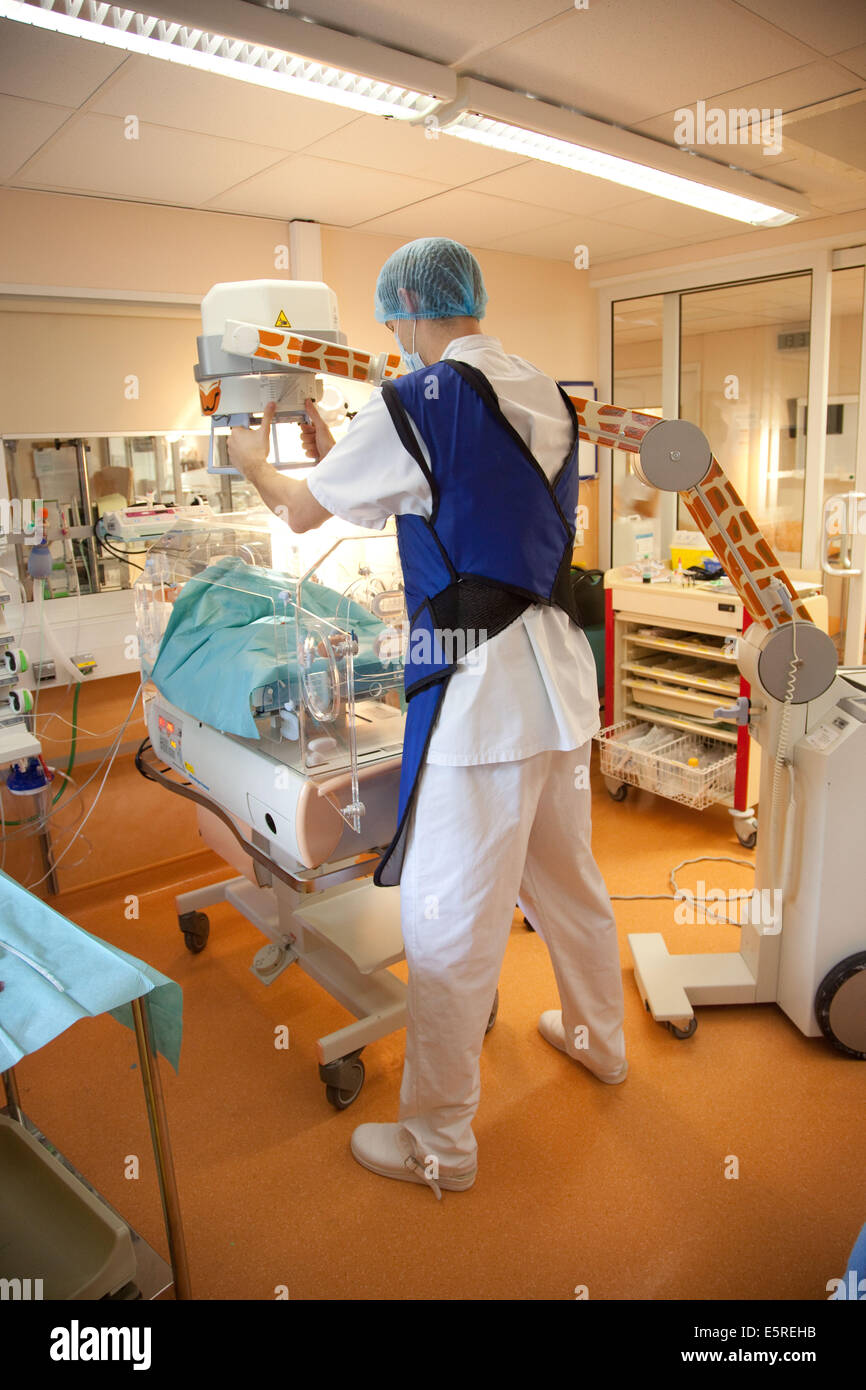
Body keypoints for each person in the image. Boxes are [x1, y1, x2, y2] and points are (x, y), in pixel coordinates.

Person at [227, 237, 626, 1200]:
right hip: (562, 685)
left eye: (391, 322)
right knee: (566, 881)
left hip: (480, 701)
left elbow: (297, 514)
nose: (392, 341)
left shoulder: (416, 400)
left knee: (447, 922)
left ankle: (441, 1145)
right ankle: (599, 1041)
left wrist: (253, 458)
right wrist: (343, 452)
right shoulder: (544, 391)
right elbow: (456, 495)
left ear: (408, 307)